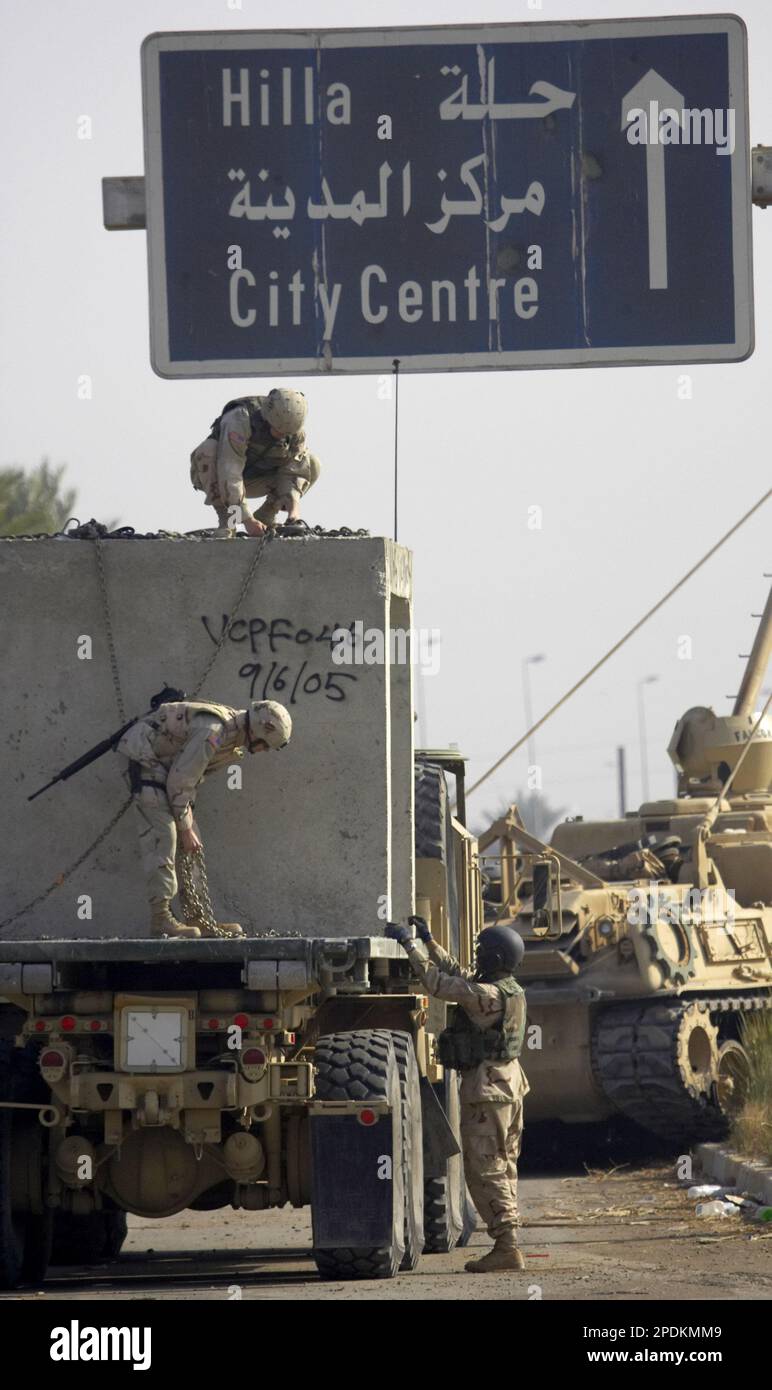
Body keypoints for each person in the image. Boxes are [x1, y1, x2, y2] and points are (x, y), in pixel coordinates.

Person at [384, 917, 528, 1273]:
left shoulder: (485, 996)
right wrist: (430, 942)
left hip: (487, 1089)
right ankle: (507, 1241)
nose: (478, 959)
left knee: (485, 1167)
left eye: (483, 953)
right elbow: (460, 974)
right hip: (508, 1084)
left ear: (495, 958)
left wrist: (407, 945)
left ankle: (507, 1246)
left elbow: (439, 983)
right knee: (503, 1164)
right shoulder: (507, 989)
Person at [116, 698, 292, 938]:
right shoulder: (215, 731)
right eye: (265, 745)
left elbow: (188, 777)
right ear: (258, 731)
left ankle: (198, 917)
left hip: (168, 771)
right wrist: (183, 826)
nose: (263, 751)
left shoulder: (232, 736)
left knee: (193, 841)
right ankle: (160, 919)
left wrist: (188, 825)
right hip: (146, 761)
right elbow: (180, 780)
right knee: (164, 834)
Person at [190, 388, 320, 536]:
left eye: (286, 433)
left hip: (262, 478)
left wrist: (293, 511)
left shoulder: (295, 429)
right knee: (207, 451)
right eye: (278, 430)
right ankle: (228, 521)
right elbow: (230, 472)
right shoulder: (239, 420)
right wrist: (247, 520)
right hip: (224, 479)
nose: (281, 435)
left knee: (312, 463)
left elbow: (295, 472)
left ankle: (266, 515)